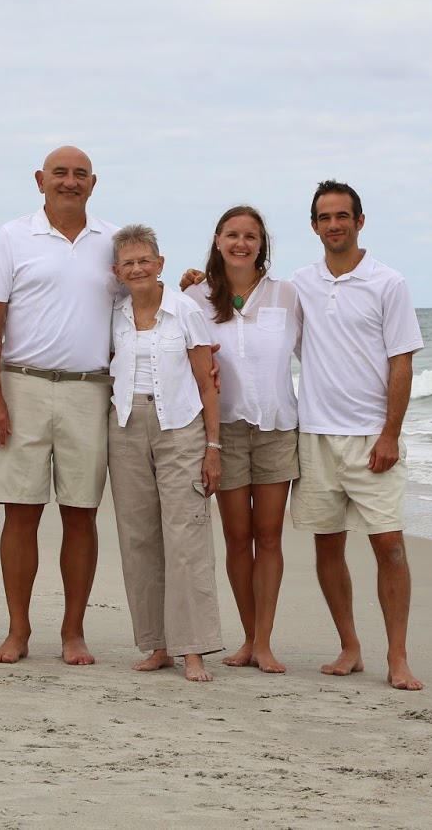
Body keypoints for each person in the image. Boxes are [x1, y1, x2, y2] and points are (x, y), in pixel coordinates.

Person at [0, 146, 117, 665]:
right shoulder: (12, 237)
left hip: (88, 389)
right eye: (60, 173)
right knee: (21, 514)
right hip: (22, 387)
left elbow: (140, 306)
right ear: (40, 180)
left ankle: (73, 633)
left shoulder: (111, 241)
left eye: (80, 174)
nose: (70, 182)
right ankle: (17, 631)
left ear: (93, 183)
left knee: (82, 514)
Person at [289, 180, 425, 690]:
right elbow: (243, 303)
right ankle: (349, 646)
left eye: (342, 216)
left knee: (389, 546)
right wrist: (194, 281)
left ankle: (398, 657)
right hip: (316, 435)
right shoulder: (299, 283)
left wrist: (390, 435)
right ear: (314, 226)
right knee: (327, 546)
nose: (334, 225)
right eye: (324, 217)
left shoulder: (388, 282)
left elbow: (402, 361)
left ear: (360, 221)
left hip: (372, 438)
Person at [183, 206, 301, 673]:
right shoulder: (195, 295)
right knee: (236, 537)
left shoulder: (287, 295)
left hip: (276, 427)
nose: (241, 243)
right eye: (232, 234)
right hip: (222, 432)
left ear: (261, 244)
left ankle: (265, 642)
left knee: (268, 537)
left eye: (250, 236)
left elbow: (321, 350)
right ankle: (247, 638)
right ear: (217, 240)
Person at [108, 225, 224, 682]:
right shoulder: (114, 313)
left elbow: (207, 382)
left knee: (186, 538)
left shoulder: (185, 311)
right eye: (128, 263)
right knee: (138, 539)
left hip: (181, 427)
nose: (137, 269)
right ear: (118, 271)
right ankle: (157, 645)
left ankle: (193, 649)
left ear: (160, 264)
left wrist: (213, 447)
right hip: (125, 427)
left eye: (144, 261)